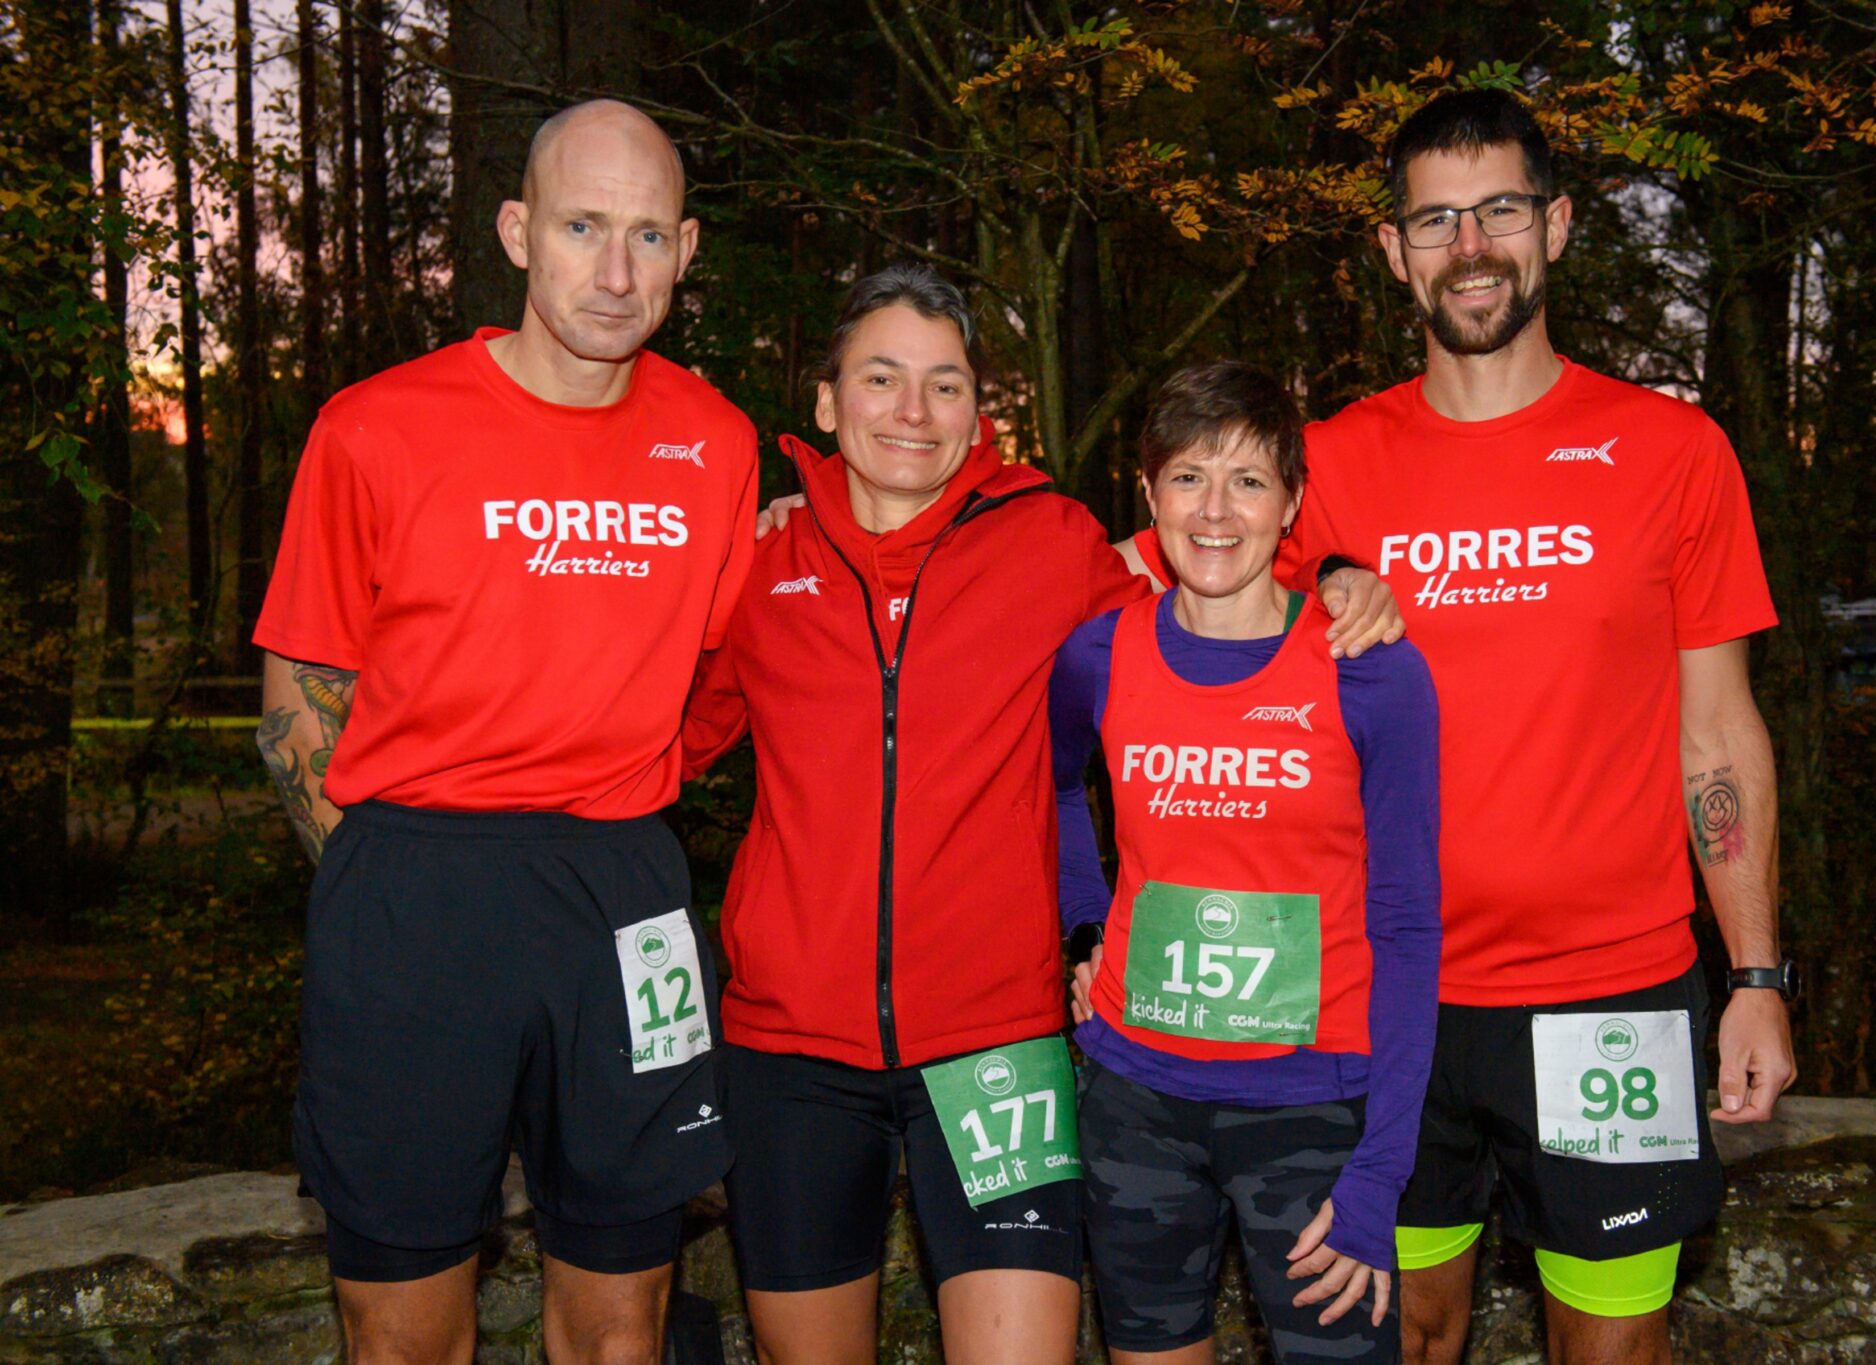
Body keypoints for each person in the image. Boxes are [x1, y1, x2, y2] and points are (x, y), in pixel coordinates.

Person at [1124, 89, 1796, 1365]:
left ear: (1553, 225)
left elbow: (1715, 733)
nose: (1469, 245)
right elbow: (1154, 642)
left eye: (1497, 209)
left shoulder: (1671, 451)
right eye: (1434, 219)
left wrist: (1755, 975)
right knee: (1400, 1338)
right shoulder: (1315, 466)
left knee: (1613, 1347)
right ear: (1392, 252)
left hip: (1616, 996)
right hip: (1384, 1003)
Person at [679, 266, 1397, 1365]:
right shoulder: (757, 562)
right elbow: (660, 742)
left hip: (994, 1046)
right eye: (881, 379)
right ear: (825, 403)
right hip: (792, 1053)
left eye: (944, 385)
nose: (912, 413)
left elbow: (1218, 567)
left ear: (979, 410)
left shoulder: (1051, 542)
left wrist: (1339, 571)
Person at [254, 100, 758, 1365]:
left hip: (625, 893)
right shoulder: (376, 428)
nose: (616, 271)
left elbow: (724, 670)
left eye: (648, 235)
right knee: (405, 1319)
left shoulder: (714, 443)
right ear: (517, 231)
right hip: (417, 892)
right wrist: (390, 896)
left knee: (622, 1316)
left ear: (687, 252)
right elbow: (297, 699)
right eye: (584, 227)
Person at [1052, 361, 1442, 1364]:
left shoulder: (1371, 669)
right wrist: (1085, 928)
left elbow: (1404, 926)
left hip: (1313, 1113)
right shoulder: (1094, 656)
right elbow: (1050, 795)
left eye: (1247, 481)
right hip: (1133, 1103)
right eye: (1186, 478)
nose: (1214, 512)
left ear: (1293, 504)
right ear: (1146, 497)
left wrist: (1378, 1173)